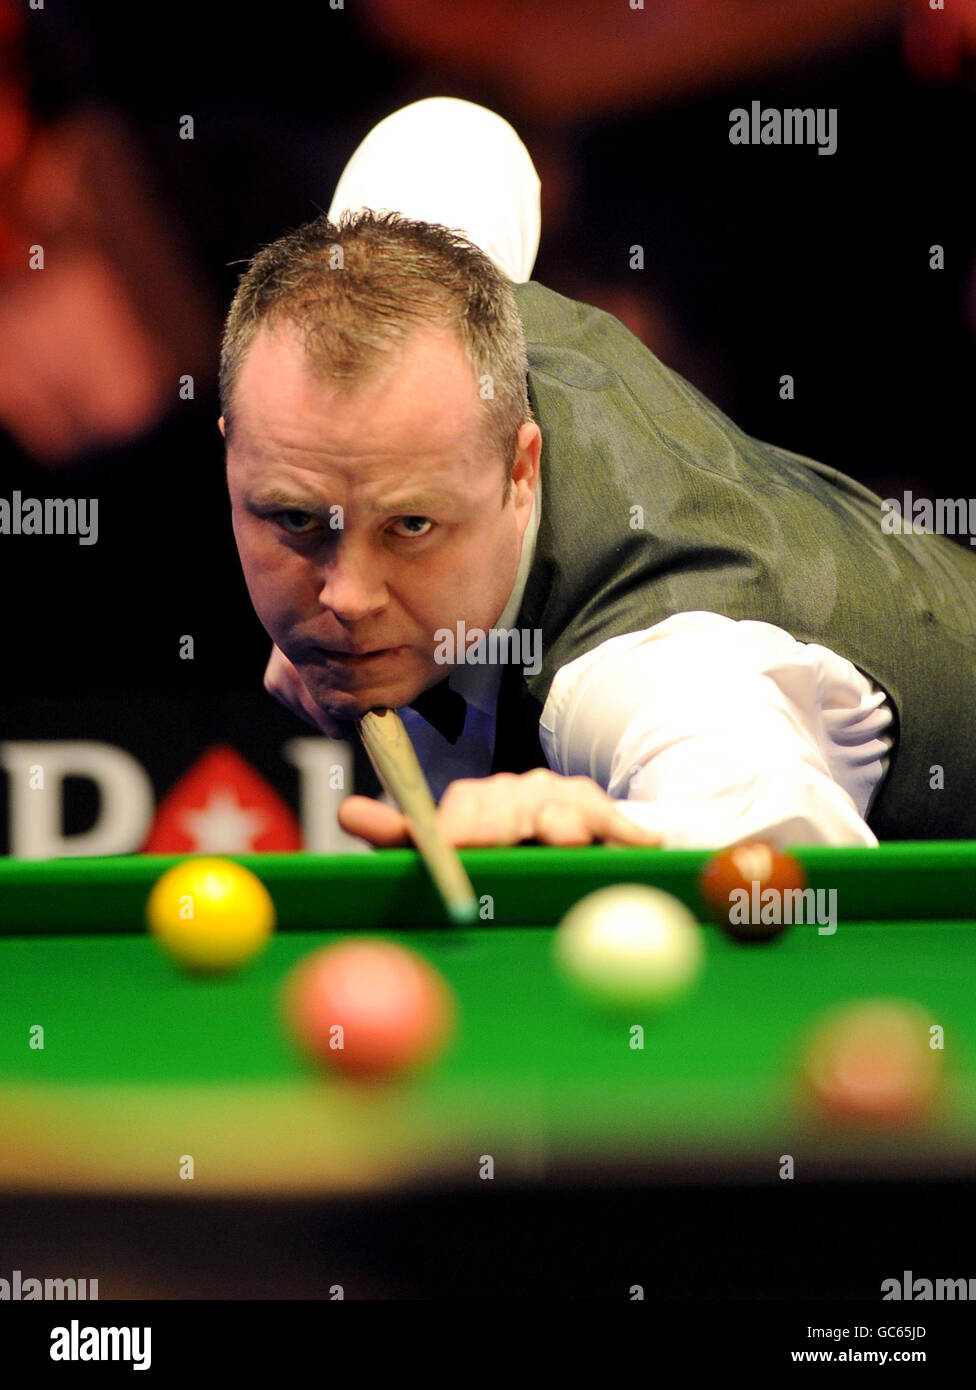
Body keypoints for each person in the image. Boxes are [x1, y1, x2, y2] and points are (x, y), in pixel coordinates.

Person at [219, 98, 976, 850]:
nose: (346, 597)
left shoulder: (645, 673)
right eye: (296, 519)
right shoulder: (427, 279)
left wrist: (601, 838)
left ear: (520, 470)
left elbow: (777, 847)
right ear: (230, 448)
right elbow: (452, 137)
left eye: (411, 526)